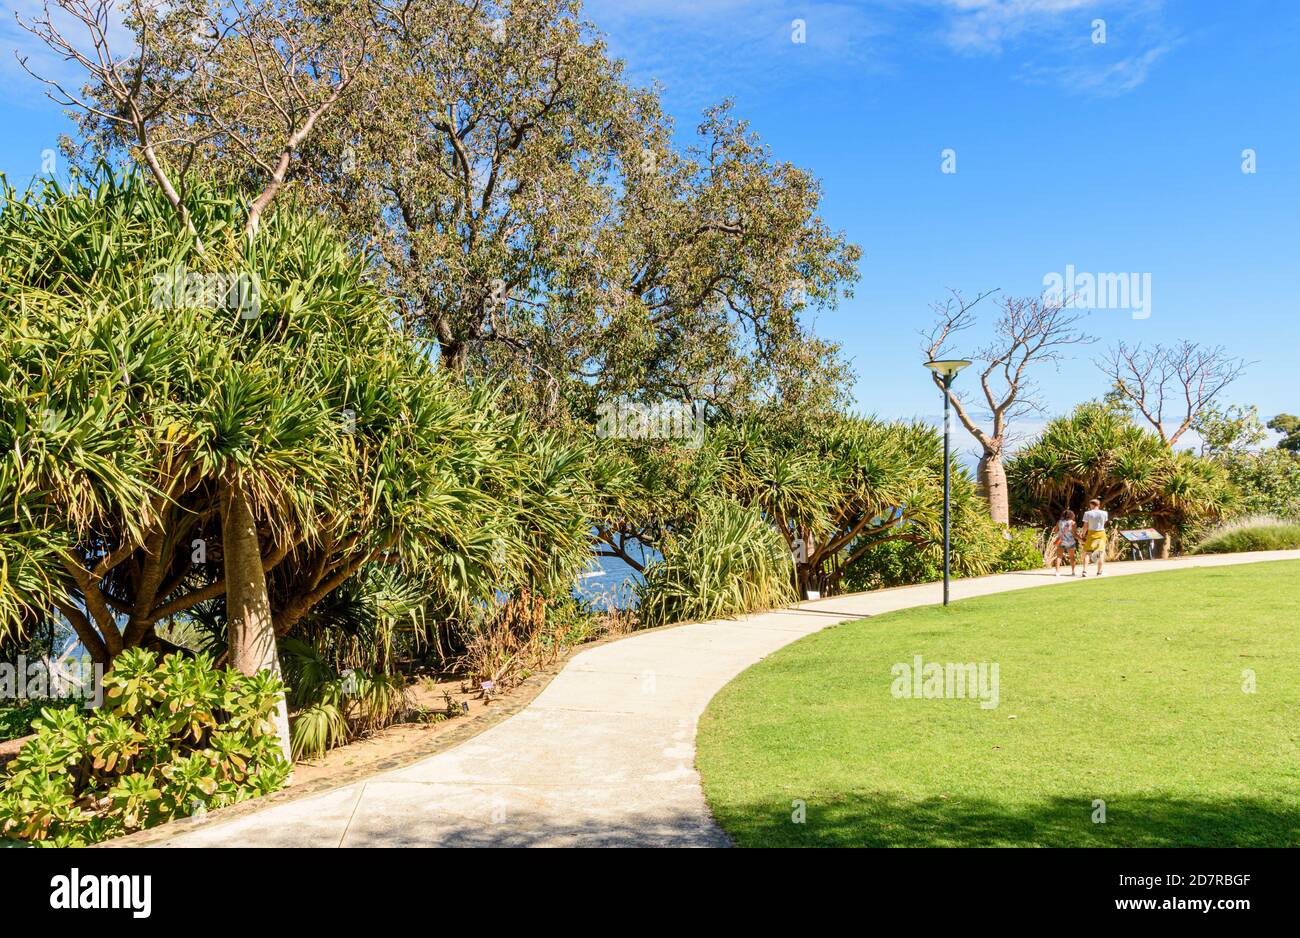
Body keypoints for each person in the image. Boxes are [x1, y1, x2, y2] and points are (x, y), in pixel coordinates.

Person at [1080, 498, 1109, 577]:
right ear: (1098, 505)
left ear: (1091, 505)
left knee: (1087, 552)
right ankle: (1099, 572)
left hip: (1091, 533)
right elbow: (1104, 523)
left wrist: (1083, 534)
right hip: (1101, 533)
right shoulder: (1104, 513)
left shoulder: (1087, 513)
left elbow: (1085, 525)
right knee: (1100, 553)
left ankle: (1084, 571)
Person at [1053, 509, 1077, 576]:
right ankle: (1073, 571)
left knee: (1059, 556)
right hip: (1070, 541)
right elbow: (1074, 534)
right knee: (1072, 557)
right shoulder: (1072, 523)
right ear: (1071, 515)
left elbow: (1055, 531)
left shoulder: (1059, 522)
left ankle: (1057, 572)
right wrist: (1081, 539)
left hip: (1061, 540)